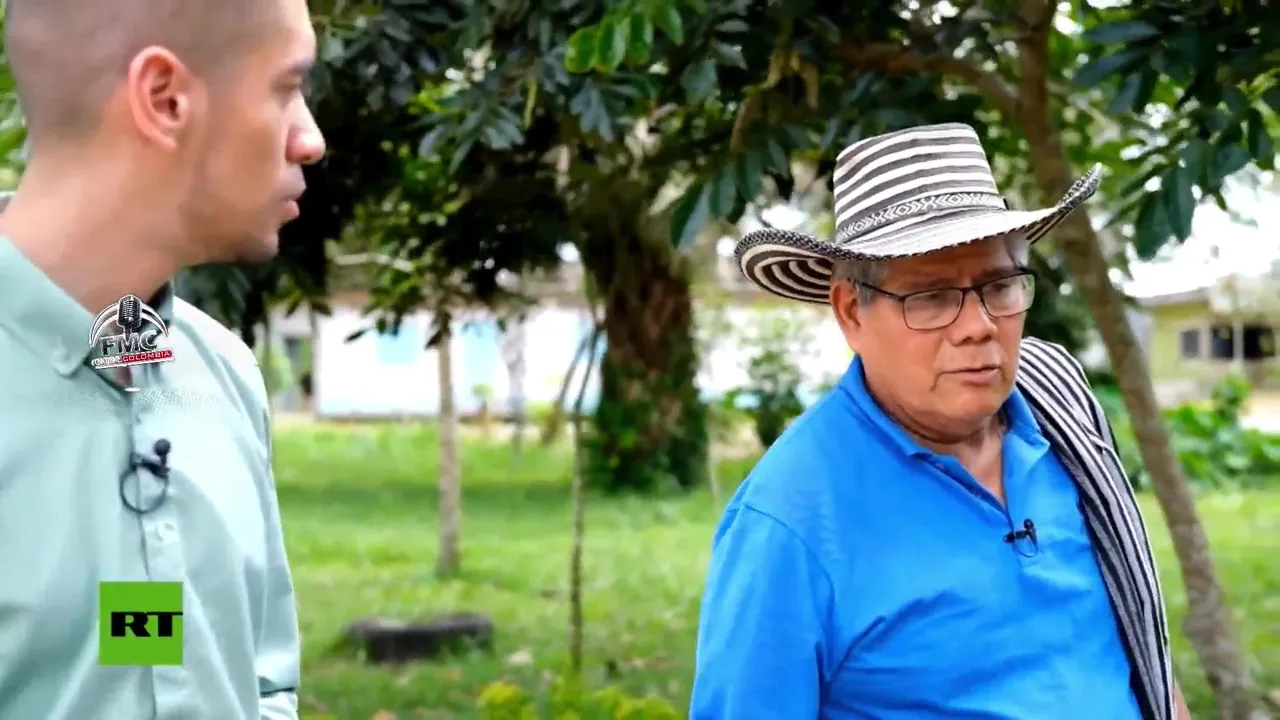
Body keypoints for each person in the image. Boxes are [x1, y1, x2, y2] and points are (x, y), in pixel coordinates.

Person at [691, 123, 1191, 720]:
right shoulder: (789, 519)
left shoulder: (1062, 410)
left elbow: (1140, 647)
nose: (979, 325)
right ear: (852, 313)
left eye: (999, 286)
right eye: (930, 297)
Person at [0, 0, 324, 717]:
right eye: (286, 88)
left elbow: (263, 685)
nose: (310, 140)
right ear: (165, 99)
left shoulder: (223, 373)